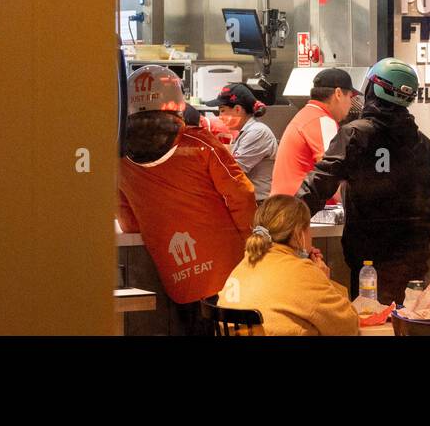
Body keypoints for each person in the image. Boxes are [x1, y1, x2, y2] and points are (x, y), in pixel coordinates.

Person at [117, 65, 256, 336]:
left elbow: (130, 223)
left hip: (178, 281)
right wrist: (254, 241)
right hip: (230, 273)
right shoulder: (200, 144)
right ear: (178, 104)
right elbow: (243, 195)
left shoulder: (120, 160)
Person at [297, 58, 430, 305]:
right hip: (416, 261)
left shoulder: (355, 134)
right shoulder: (424, 144)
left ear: (373, 89)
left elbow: (318, 186)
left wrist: (278, 222)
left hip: (369, 262)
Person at [220, 195, 360, 337]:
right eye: (309, 229)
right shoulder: (303, 274)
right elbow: (348, 326)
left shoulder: (242, 267)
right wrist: (325, 281)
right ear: (299, 234)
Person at [271, 67, 359, 197]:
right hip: (297, 210)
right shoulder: (322, 120)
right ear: (338, 94)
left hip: (286, 207)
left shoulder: (307, 115)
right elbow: (332, 175)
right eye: (350, 97)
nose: (351, 104)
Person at [210, 83, 278, 201]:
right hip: (249, 201)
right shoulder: (246, 131)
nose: (220, 116)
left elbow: (233, 171)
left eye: (222, 110)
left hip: (259, 204)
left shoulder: (257, 132)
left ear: (237, 109)